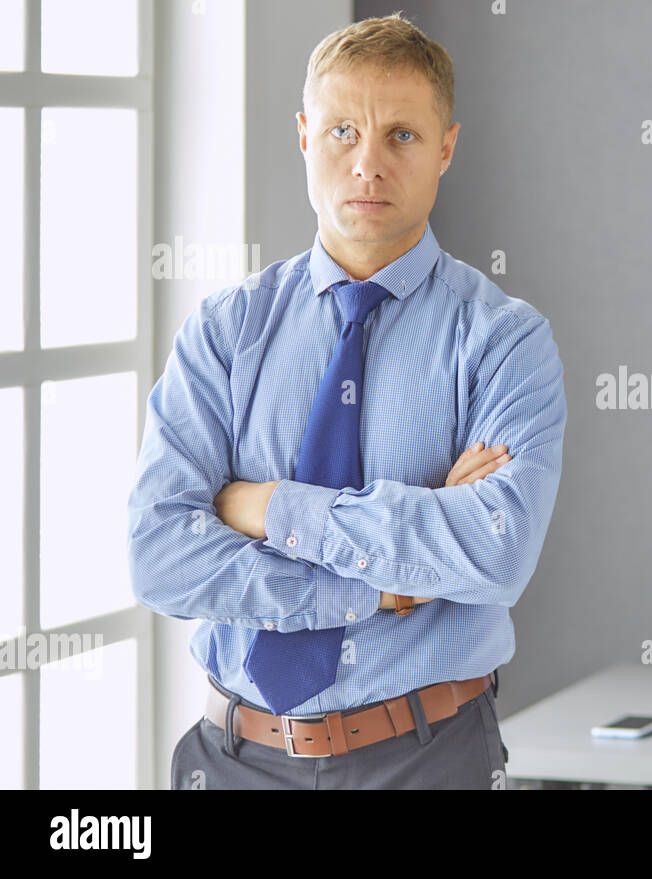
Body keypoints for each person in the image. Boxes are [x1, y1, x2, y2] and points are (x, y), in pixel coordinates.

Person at [127, 12, 566, 789]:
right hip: (230, 762)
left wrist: (267, 508)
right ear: (303, 135)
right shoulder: (227, 332)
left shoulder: (504, 340)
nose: (368, 163)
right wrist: (382, 583)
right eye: (341, 132)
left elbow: (496, 553)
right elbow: (159, 554)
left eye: (400, 135)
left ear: (446, 149)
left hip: (429, 760)